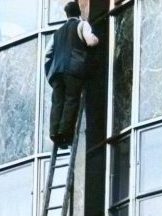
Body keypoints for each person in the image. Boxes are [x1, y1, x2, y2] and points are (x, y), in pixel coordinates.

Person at [44, 1, 99, 148]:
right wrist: (96, 39)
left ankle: (54, 132)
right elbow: (90, 42)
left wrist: (50, 73)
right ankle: (65, 133)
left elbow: (47, 54)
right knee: (71, 100)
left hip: (57, 72)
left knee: (57, 102)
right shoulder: (82, 25)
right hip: (73, 70)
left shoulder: (57, 33)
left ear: (67, 15)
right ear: (78, 13)